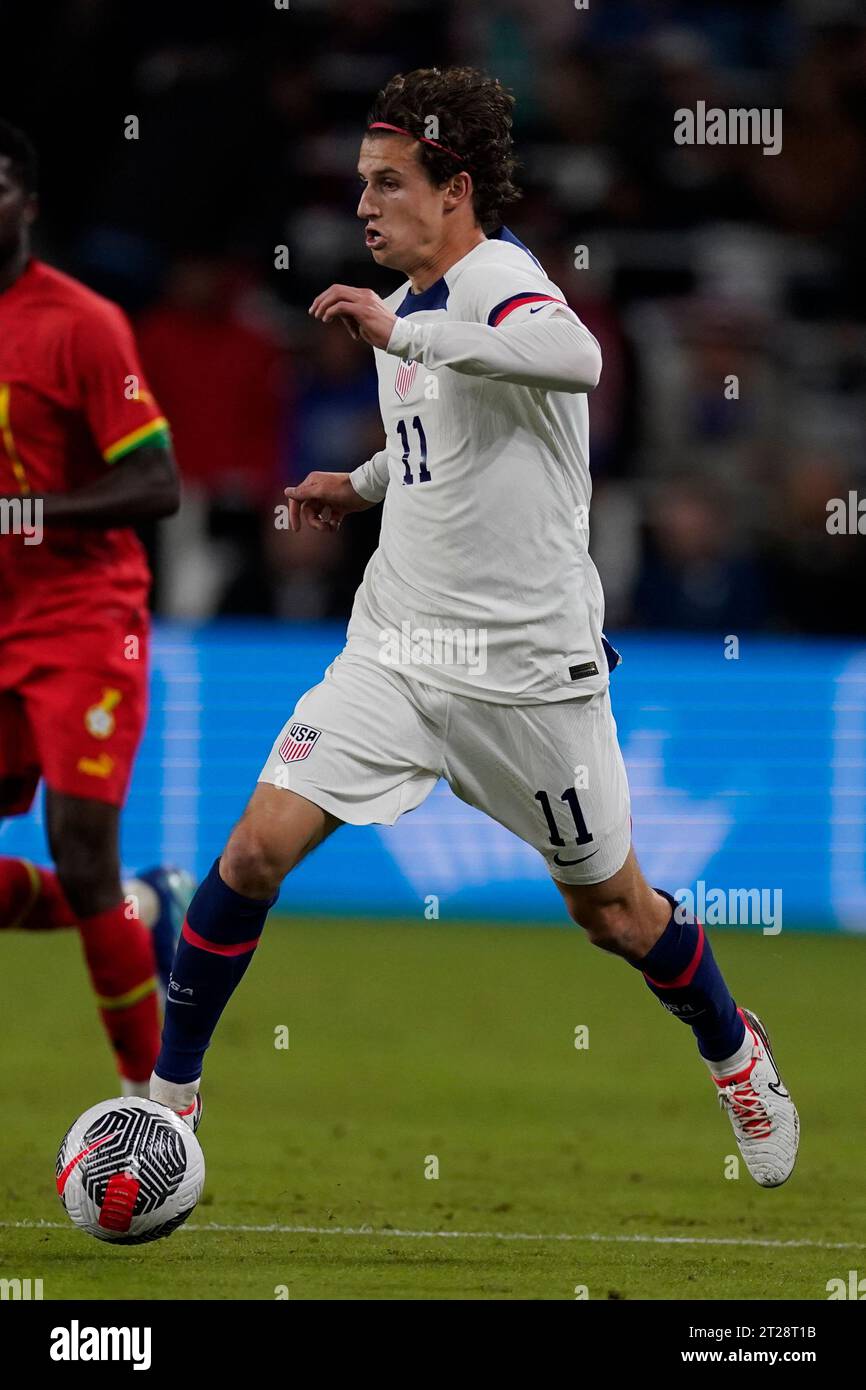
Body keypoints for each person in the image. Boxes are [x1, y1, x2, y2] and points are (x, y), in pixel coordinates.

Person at [150, 68, 798, 1186]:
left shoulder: (499, 280)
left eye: (388, 182)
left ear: (452, 188)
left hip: (526, 680)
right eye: (360, 182)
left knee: (614, 912)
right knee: (254, 850)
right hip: (395, 652)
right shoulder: (411, 310)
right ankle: (168, 1106)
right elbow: (440, 440)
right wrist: (358, 484)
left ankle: (734, 1051)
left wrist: (400, 339)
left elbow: (572, 358)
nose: (363, 205)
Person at [0, 120, 188, 1095]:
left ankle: (153, 1103)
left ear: (25, 202)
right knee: (91, 890)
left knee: (79, 855)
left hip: (79, 614)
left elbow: (158, 485)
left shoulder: (81, 323)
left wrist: (20, 511)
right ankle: (142, 910)